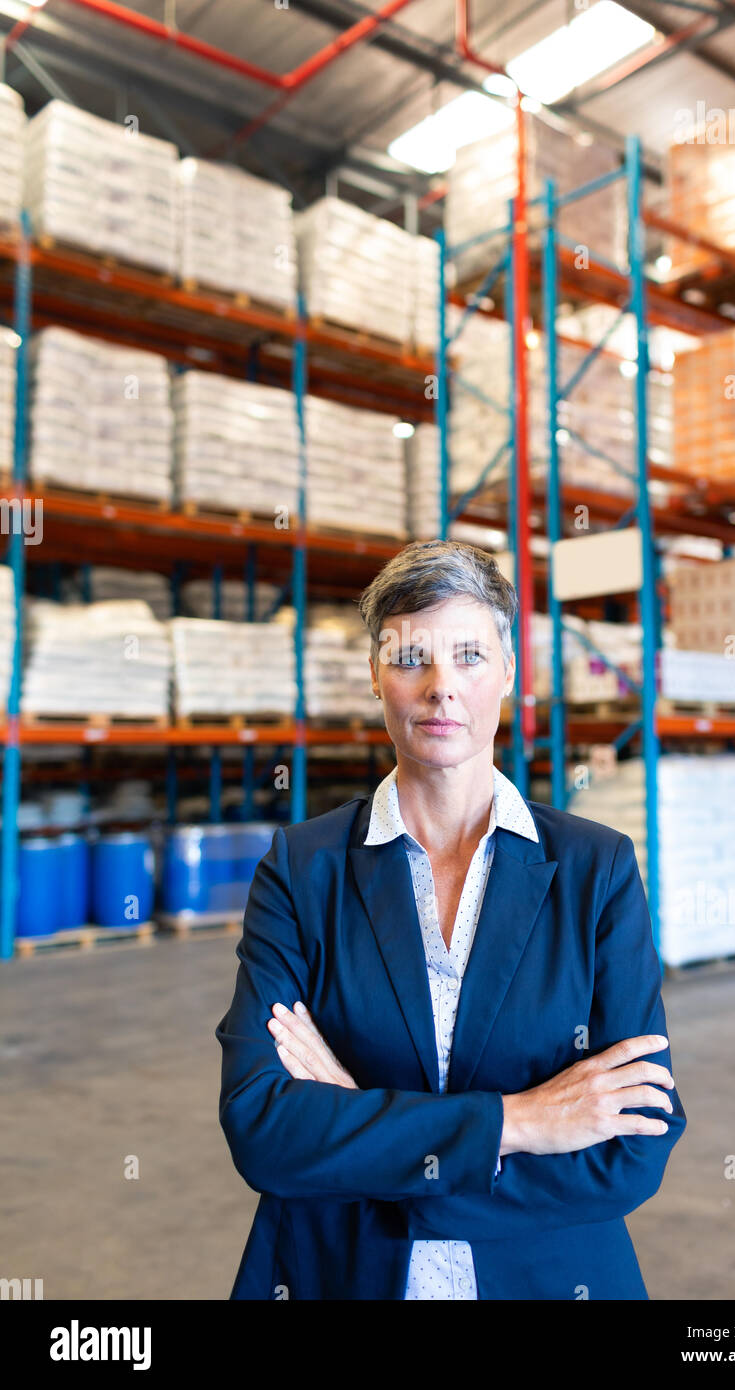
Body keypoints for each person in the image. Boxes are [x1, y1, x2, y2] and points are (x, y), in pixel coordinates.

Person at [215, 538, 686, 1300]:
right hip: (342, 1276)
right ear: (375, 676)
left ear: (508, 672)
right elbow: (264, 1130)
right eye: (410, 658)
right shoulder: (303, 870)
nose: (442, 688)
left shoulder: (595, 871)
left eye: (469, 655)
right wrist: (521, 1122)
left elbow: (633, 1148)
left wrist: (359, 1128)